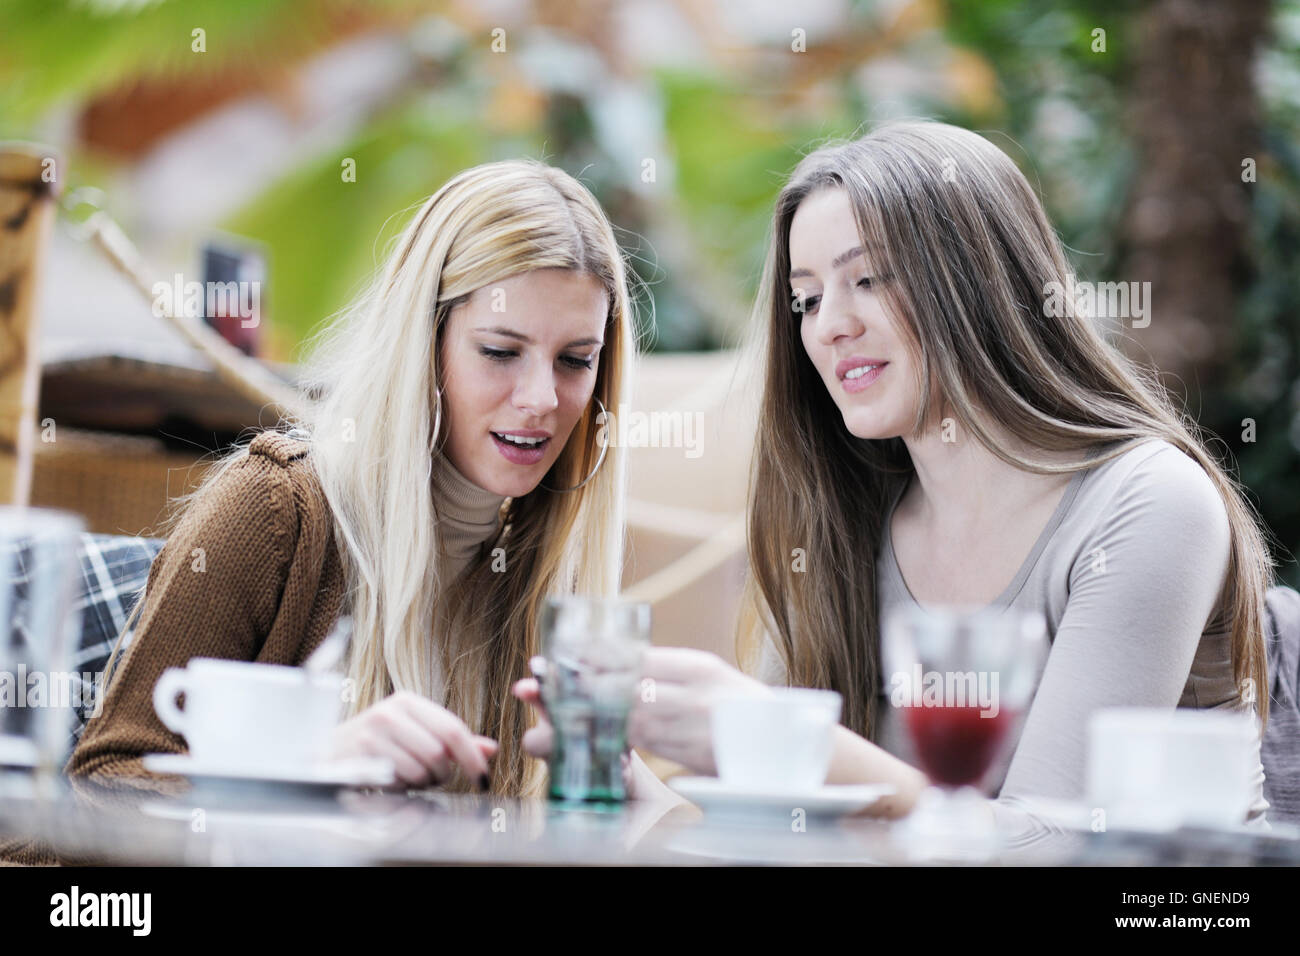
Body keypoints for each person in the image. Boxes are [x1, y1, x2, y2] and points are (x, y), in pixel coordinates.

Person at [563, 120, 1275, 849]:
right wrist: (631, 787)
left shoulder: (1146, 505)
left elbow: (1052, 848)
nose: (829, 326)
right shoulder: (845, 520)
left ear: (978, 279)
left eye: (868, 279)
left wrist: (799, 745)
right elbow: (780, 838)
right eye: (806, 300)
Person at [69, 158, 638, 800]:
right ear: (424, 343)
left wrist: (635, 792)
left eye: (575, 360)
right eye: (500, 352)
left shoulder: (542, 574)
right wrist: (309, 773)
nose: (541, 397)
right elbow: (103, 783)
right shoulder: (279, 508)